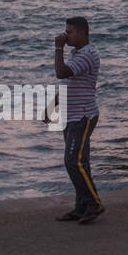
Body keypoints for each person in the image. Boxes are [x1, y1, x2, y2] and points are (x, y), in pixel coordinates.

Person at [54, 16, 105, 224]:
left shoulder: (89, 54)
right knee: (80, 162)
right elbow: (68, 83)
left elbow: (61, 73)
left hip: (82, 116)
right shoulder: (78, 53)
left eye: (70, 32)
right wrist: (52, 106)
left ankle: (94, 204)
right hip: (72, 115)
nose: (66, 36)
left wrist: (58, 49)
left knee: (72, 161)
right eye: (66, 31)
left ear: (83, 33)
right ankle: (81, 206)